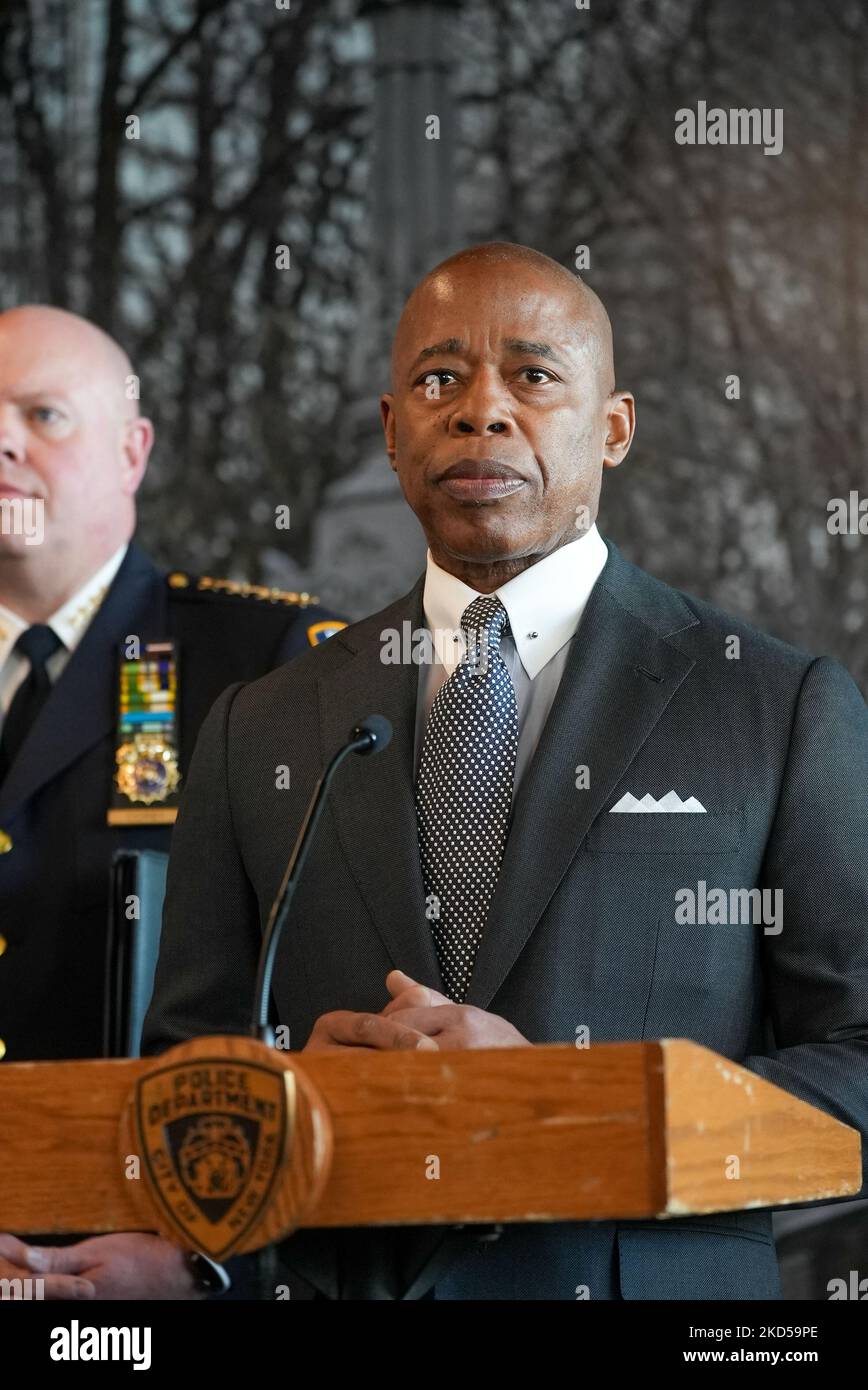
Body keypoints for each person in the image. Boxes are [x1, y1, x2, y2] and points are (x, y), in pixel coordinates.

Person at [10, 244, 867, 1300]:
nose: (480, 411)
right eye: (438, 379)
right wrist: (294, 1105)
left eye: (534, 375)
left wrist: (567, 1106)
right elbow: (191, 1069)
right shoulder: (259, 725)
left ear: (614, 428)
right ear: (391, 429)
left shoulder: (776, 706)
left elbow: (858, 1064)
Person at [0, 306, 346, 1065]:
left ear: (131, 454)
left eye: (43, 415)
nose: (4, 440)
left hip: (137, 1131)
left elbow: (325, 962)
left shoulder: (264, 658)